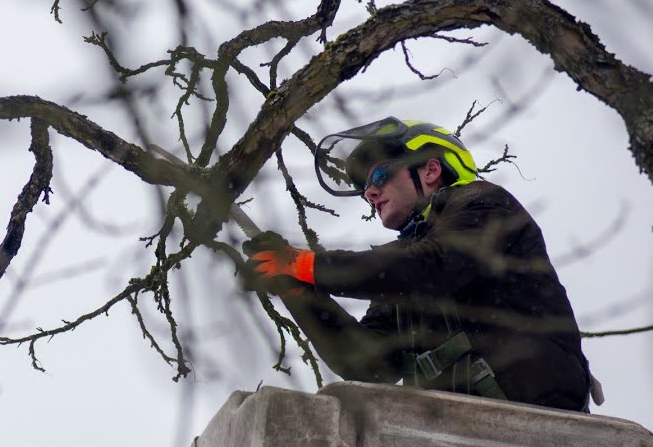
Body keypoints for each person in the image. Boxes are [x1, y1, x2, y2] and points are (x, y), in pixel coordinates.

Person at [241, 117, 600, 412]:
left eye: (379, 176)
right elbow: (366, 362)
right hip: (457, 442)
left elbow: (431, 265)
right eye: (366, 187)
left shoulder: (484, 204)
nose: (370, 193)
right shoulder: (406, 266)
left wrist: (306, 264)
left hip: (541, 423)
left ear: (430, 170)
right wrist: (295, 288)